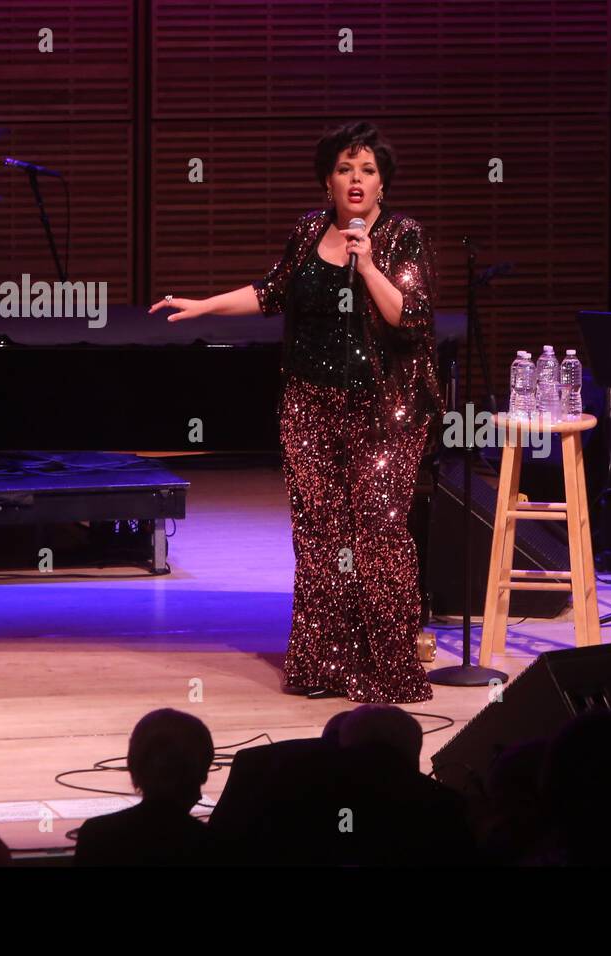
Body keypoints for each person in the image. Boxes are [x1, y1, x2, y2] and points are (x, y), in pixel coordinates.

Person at [151, 121, 443, 702]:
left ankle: (389, 668)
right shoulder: (310, 230)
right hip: (309, 404)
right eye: (344, 169)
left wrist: (367, 265)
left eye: (366, 170)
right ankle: (325, 667)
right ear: (327, 181)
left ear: (382, 184)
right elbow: (271, 291)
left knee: (379, 534)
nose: (355, 180)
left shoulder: (403, 235)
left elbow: (410, 316)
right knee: (319, 536)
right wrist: (206, 304)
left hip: (382, 411)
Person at [73, 708, 218, 866]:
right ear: (198, 775)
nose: (199, 796)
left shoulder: (96, 835)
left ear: (133, 766)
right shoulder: (209, 843)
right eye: (203, 773)